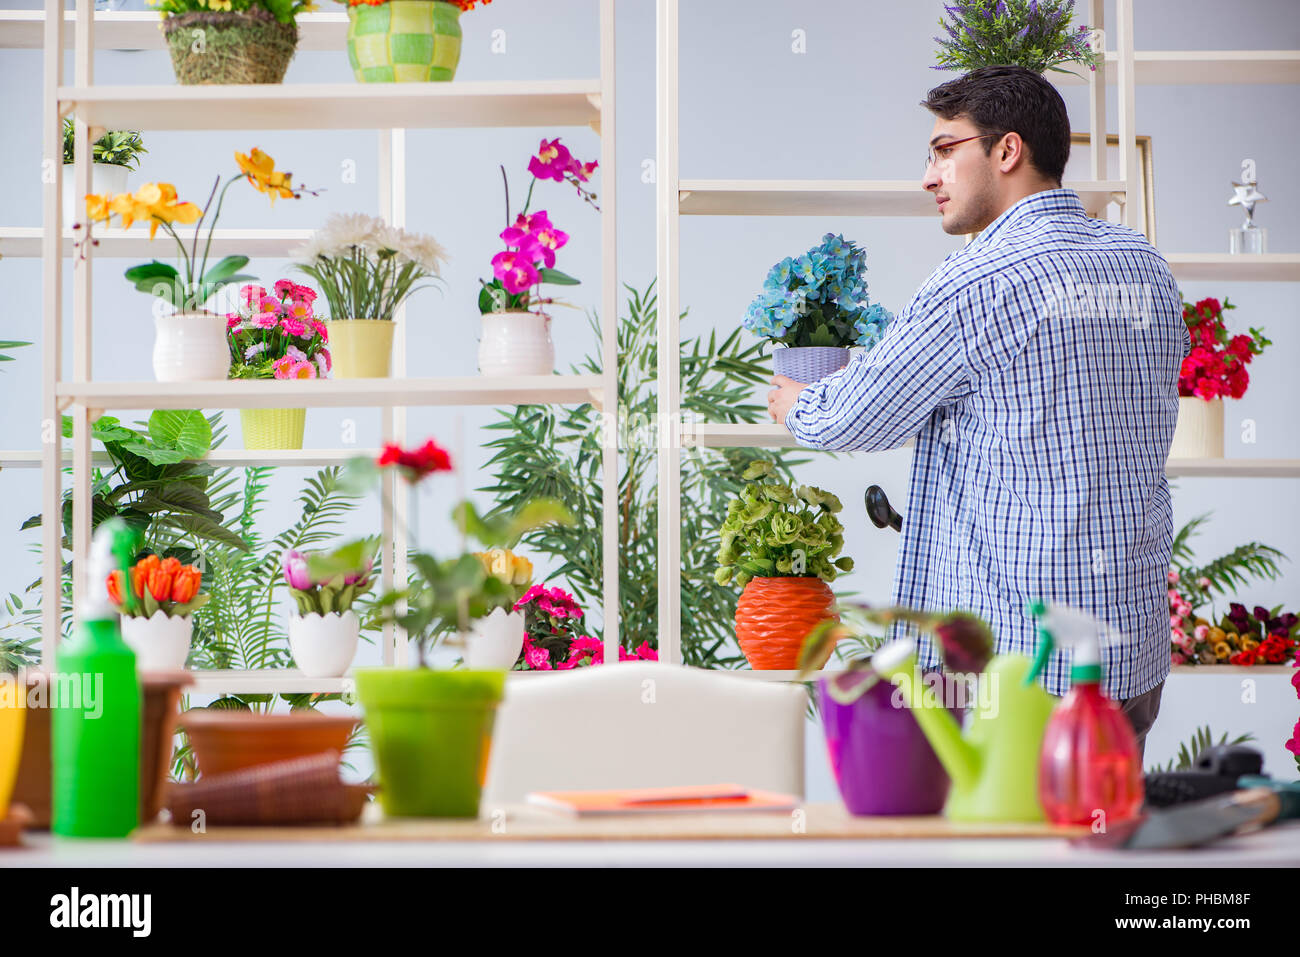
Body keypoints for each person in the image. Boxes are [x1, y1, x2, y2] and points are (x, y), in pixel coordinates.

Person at [766, 65, 1190, 758]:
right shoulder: (1141, 262)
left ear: (1007, 151)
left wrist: (797, 400)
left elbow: (852, 416)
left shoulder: (980, 279)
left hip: (1019, 668)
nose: (928, 176)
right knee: (1102, 842)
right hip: (1128, 655)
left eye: (943, 149)